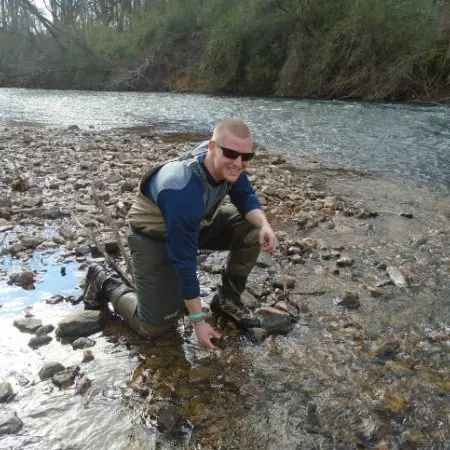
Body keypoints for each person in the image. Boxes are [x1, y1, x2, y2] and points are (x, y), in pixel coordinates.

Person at [80, 118, 277, 350]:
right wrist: (198, 321)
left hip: (195, 225)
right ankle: (104, 281)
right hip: (152, 237)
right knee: (154, 326)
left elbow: (244, 196)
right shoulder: (182, 188)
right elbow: (184, 261)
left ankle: (227, 299)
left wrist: (264, 224)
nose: (238, 162)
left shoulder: (229, 164)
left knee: (253, 228)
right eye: (232, 154)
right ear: (212, 147)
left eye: (246, 157)